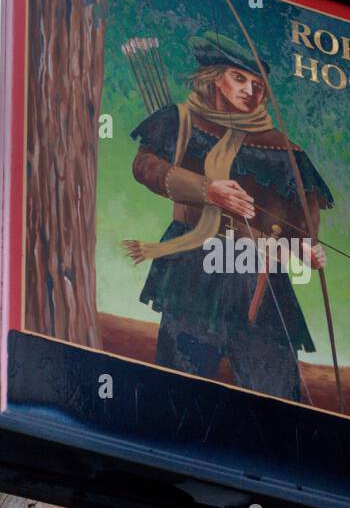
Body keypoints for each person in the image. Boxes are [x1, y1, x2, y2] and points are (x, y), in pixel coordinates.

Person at [124, 31, 332, 402]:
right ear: (213, 77)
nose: (250, 90)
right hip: (194, 267)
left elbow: (300, 224)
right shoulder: (180, 120)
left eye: (258, 84)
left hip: (261, 280)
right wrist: (208, 190)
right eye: (240, 78)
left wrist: (305, 249)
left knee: (278, 398)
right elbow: (145, 167)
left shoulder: (286, 150)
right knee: (178, 392)